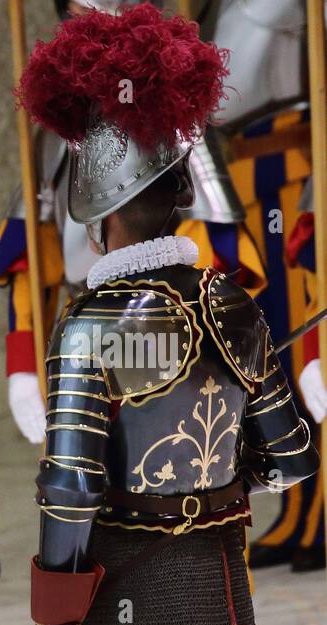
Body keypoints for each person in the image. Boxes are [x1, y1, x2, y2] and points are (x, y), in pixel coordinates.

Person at [22, 4, 317, 625]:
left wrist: (56, 611)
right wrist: (225, 477)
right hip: (225, 596)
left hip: (127, 607)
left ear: (104, 205)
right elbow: (295, 456)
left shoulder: (90, 327)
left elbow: (68, 488)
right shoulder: (233, 301)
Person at [0, 0, 268, 625]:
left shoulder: (177, 135)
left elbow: (221, 240)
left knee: (99, 500)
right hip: (102, 330)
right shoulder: (62, 136)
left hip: (157, 331)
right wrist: (17, 355)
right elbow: (27, 248)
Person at [199, 0, 324, 572]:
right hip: (249, 175)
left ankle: (321, 510)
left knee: (304, 346)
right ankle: (299, 506)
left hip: (292, 165)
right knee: (271, 347)